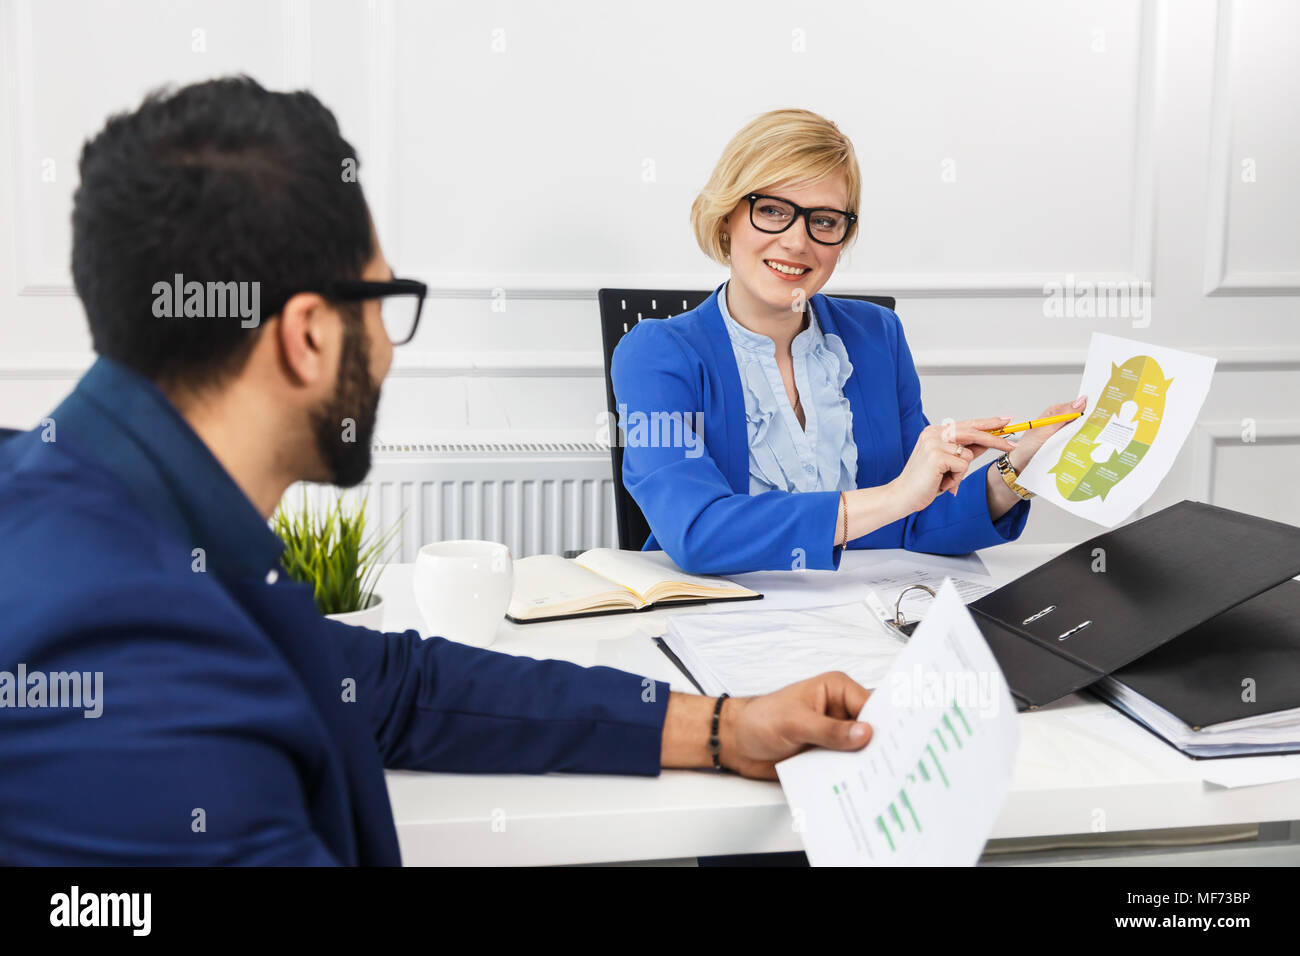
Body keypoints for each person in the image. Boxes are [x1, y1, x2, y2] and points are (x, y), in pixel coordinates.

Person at [0, 78, 874, 865]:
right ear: (308, 336)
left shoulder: (117, 517)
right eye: (384, 300)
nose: (386, 343)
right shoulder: (132, 671)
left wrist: (727, 726)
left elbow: (397, 687)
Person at [611, 109, 1086, 575]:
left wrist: (1019, 468)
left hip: (863, 619)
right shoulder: (654, 355)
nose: (798, 242)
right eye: (772, 210)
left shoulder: (877, 335)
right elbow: (698, 533)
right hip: (718, 624)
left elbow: (916, 520)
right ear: (725, 220)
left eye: (823, 220)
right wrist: (897, 495)